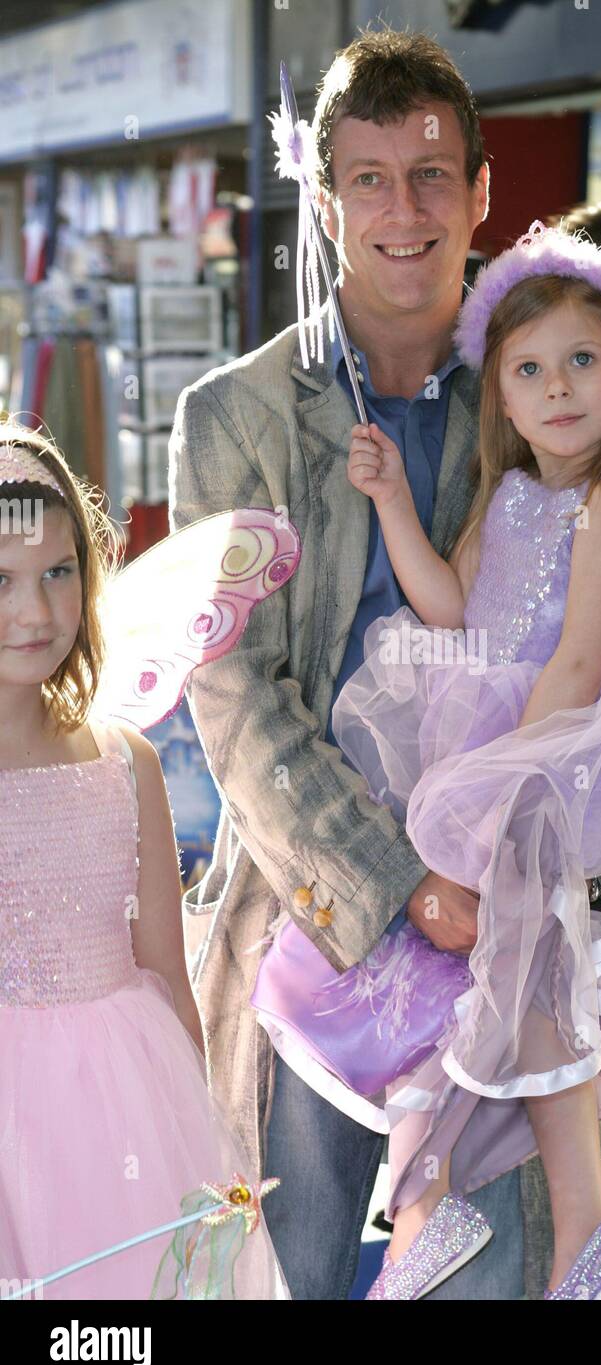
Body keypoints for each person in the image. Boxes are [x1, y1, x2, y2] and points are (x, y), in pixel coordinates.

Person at [169, 27, 601, 1301]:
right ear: (326, 197)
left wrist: (581, 902)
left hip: (516, 930)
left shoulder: (554, 386)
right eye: (366, 177)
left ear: (479, 191)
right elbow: (233, 696)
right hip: (322, 918)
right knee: (282, 1278)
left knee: (505, 1280)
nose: (400, 209)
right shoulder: (235, 416)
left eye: (428, 176)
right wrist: (401, 881)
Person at [257, 222, 601, 1301]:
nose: (556, 389)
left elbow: (575, 662)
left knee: (531, 974)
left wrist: (490, 785)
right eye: (527, 370)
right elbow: (451, 606)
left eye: (580, 361)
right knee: (450, 981)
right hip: (489, 753)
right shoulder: (509, 492)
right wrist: (386, 504)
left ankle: (569, 1224)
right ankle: (434, 1204)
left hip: (556, 763)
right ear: (500, 398)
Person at [0, 427, 288, 1301]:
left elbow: (166, 970)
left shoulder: (128, 762)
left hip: (124, 1110)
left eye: (59, 572)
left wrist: (199, 1147)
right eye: (2, 579)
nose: (39, 611)